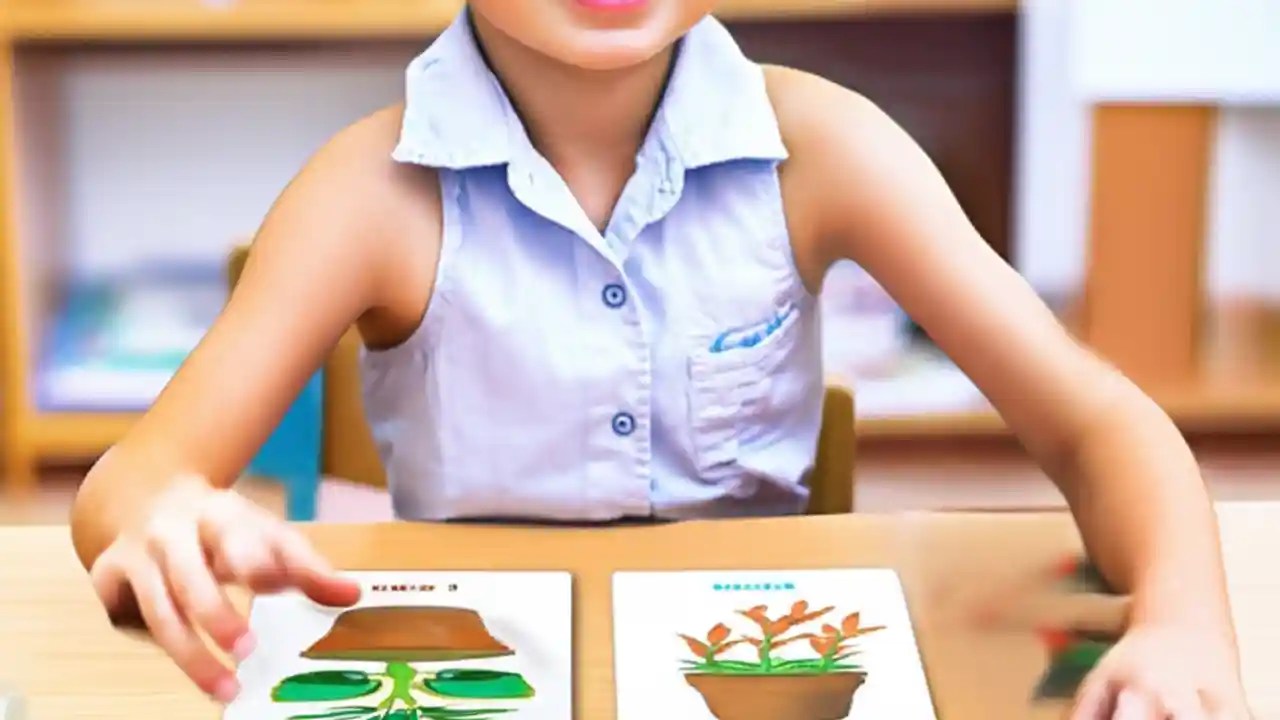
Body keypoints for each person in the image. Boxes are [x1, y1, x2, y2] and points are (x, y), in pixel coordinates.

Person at [68, 1, 1249, 717]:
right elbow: (130, 485)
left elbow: (1096, 424)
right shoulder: (367, 194)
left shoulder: (824, 146)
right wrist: (162, 520)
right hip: (483, 676)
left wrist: (1185, 621)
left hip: (759, 677)